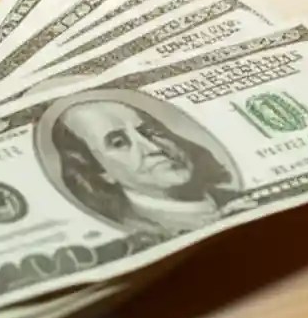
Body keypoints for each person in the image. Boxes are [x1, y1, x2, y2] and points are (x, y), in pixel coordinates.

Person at [50, 99, 246, 234]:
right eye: (119, 143)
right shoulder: (136, 228)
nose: (153, 148)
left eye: (149, 132)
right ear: (100, 171)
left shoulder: (235, 197)